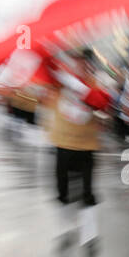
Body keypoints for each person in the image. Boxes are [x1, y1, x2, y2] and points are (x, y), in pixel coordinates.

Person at [45, 49, 110, 245]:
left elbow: (101, 102)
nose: (78, 67)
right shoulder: (58, 83)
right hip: (62, 144)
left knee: (87, 191)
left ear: (89, 65)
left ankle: (89, 233)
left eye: (82, 63)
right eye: (75, 62)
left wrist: (79, 87)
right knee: (62, 189)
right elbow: (44, 86)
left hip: (86, 146)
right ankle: (65, 226)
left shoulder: (94, 85)